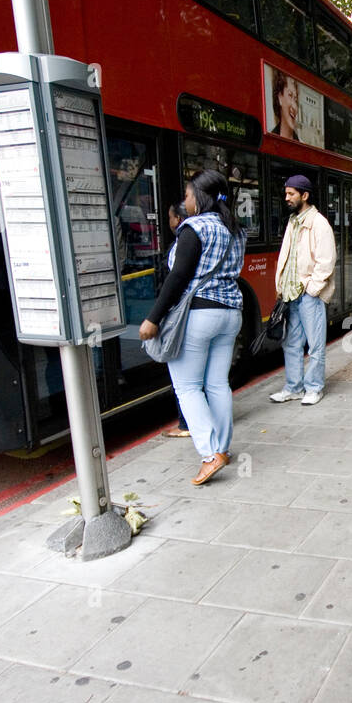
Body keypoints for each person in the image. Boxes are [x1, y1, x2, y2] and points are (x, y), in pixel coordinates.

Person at [140, 170, 247, 485]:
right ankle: (222, 448)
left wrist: (153, 318)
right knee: (217, 384)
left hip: (199, 314)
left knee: (187, 387)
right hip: (231, 314)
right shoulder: (235, 230)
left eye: (187, 195)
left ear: (201, 197)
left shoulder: (194, 228)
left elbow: (178, 277)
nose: (185, 201)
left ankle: (210, 454)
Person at [269, 173, 336, 405]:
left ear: (304, 195)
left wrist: (313, 289)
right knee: (291, 342)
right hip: (290, 294)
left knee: (315, 344)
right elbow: (286, 257)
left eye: (291, 194)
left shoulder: (319, 224)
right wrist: (281, 286)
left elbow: (326, 261)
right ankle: (294, 387)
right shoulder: (293, 221)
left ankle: (314, 388)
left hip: (309, 294)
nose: (286, 197)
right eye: (286, 193)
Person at [161, 203, 193, 439]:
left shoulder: (185, 239)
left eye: (170, 217)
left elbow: (177, 278)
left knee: (183, 375)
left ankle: (186, 424)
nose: (169, 222)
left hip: (185, 312)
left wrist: (154, 317)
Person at [271, 69, 300, 141]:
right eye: (290, 95)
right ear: (280, 98)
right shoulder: (271, 138)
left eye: (295, 100)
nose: (294, 107)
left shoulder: (301, 144)